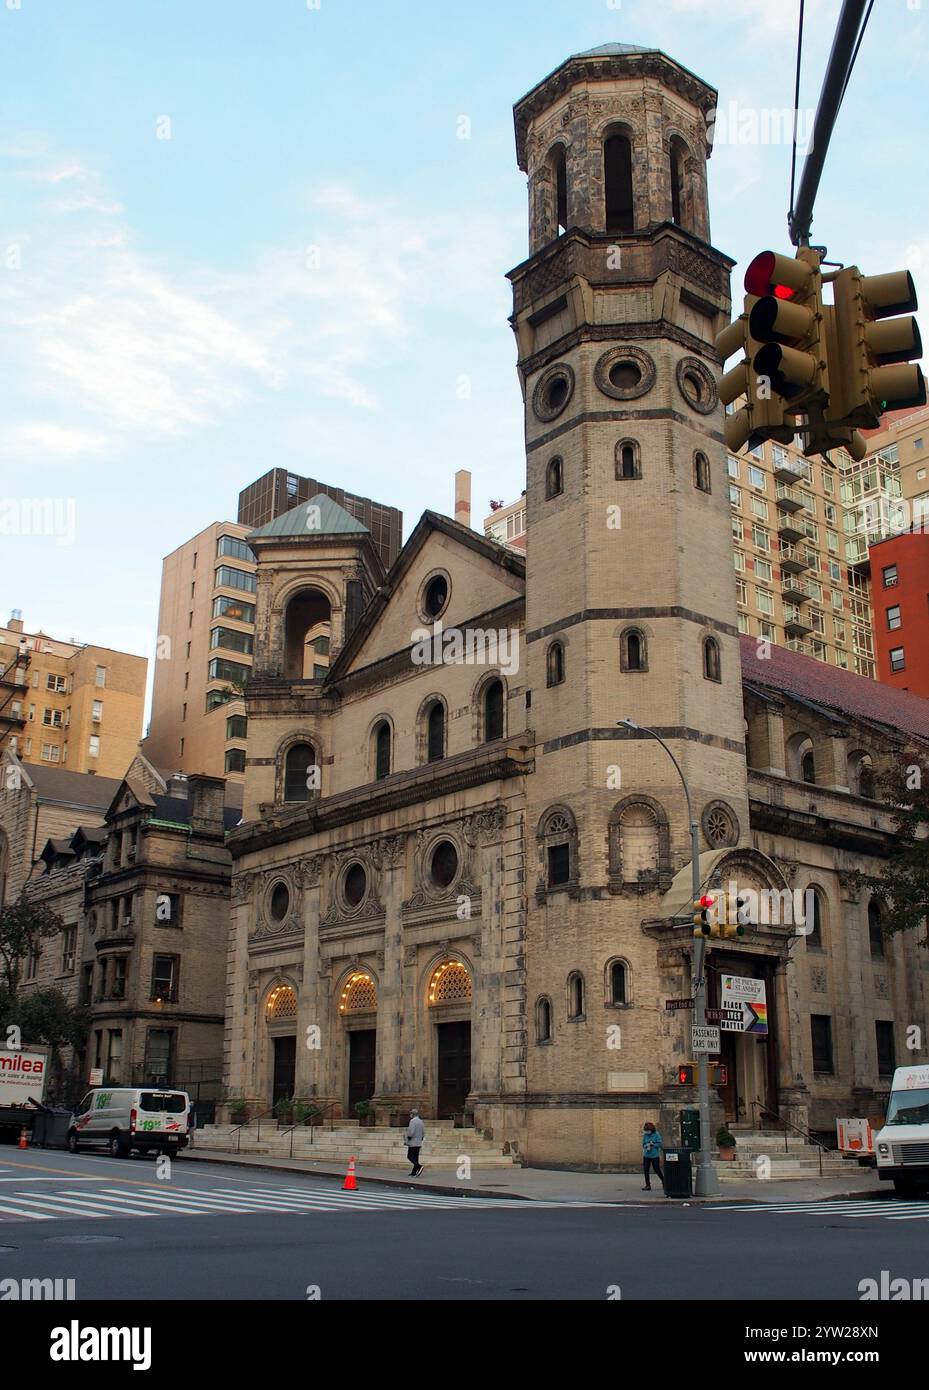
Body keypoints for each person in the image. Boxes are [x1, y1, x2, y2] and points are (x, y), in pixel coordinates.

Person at [642, 1121, 663, 1191]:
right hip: (646, 1155)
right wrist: (646, 1145)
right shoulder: (645, 1135)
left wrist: (653, 1144)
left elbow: (659, 1144)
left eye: (648, 1130)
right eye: (646, 1130)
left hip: (654, 1155)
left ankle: (664, 1182)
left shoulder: (656, 1134)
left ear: (651, 1130)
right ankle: (648, 1185)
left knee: (657, 1170)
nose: (647, 1132)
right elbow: (643, 1144)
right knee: (646, 1170)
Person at [406, 1108, 424, 1177]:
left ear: (413, 1114)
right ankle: (414, 1172)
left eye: (411, 1113)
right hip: (419, 1141)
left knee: (410, 1156)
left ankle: (419, 1166)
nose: (410, 1115)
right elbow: (423, 1132)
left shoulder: (412, 1121)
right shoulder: (421, 1121)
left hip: (413, 1142)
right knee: (415, 1157)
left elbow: (411, 1131)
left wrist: (408, 1137)